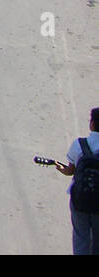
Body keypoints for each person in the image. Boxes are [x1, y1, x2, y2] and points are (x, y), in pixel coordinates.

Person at [55, 107, 99, 255]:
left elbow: (70, 171)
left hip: (80, 199)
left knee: (81, 239)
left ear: (92, 124)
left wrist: (61, 168)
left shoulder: (79, 144)